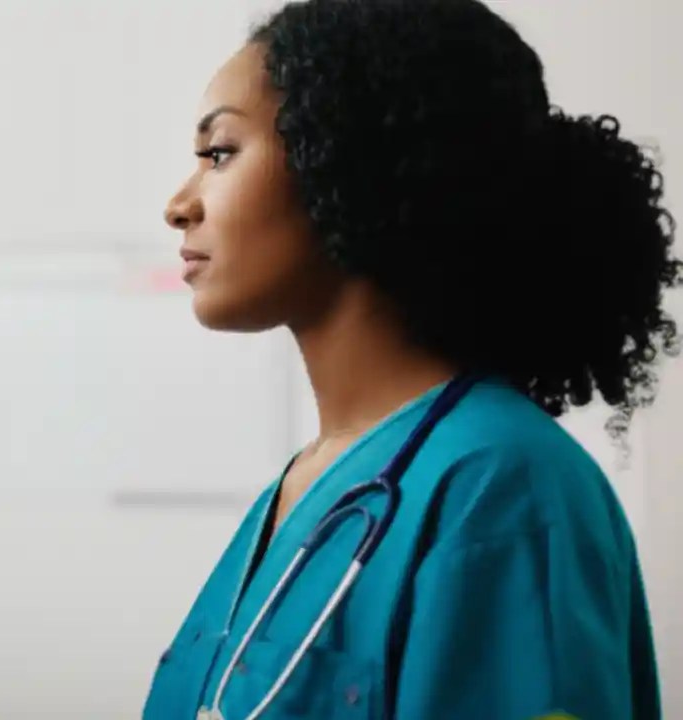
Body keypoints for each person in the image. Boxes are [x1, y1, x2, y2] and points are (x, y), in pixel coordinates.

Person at [148, 1, 678, 719]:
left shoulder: (504, 485)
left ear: (344, 157)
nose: (179, 205)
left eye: (220, 153)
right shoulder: (311, 487)